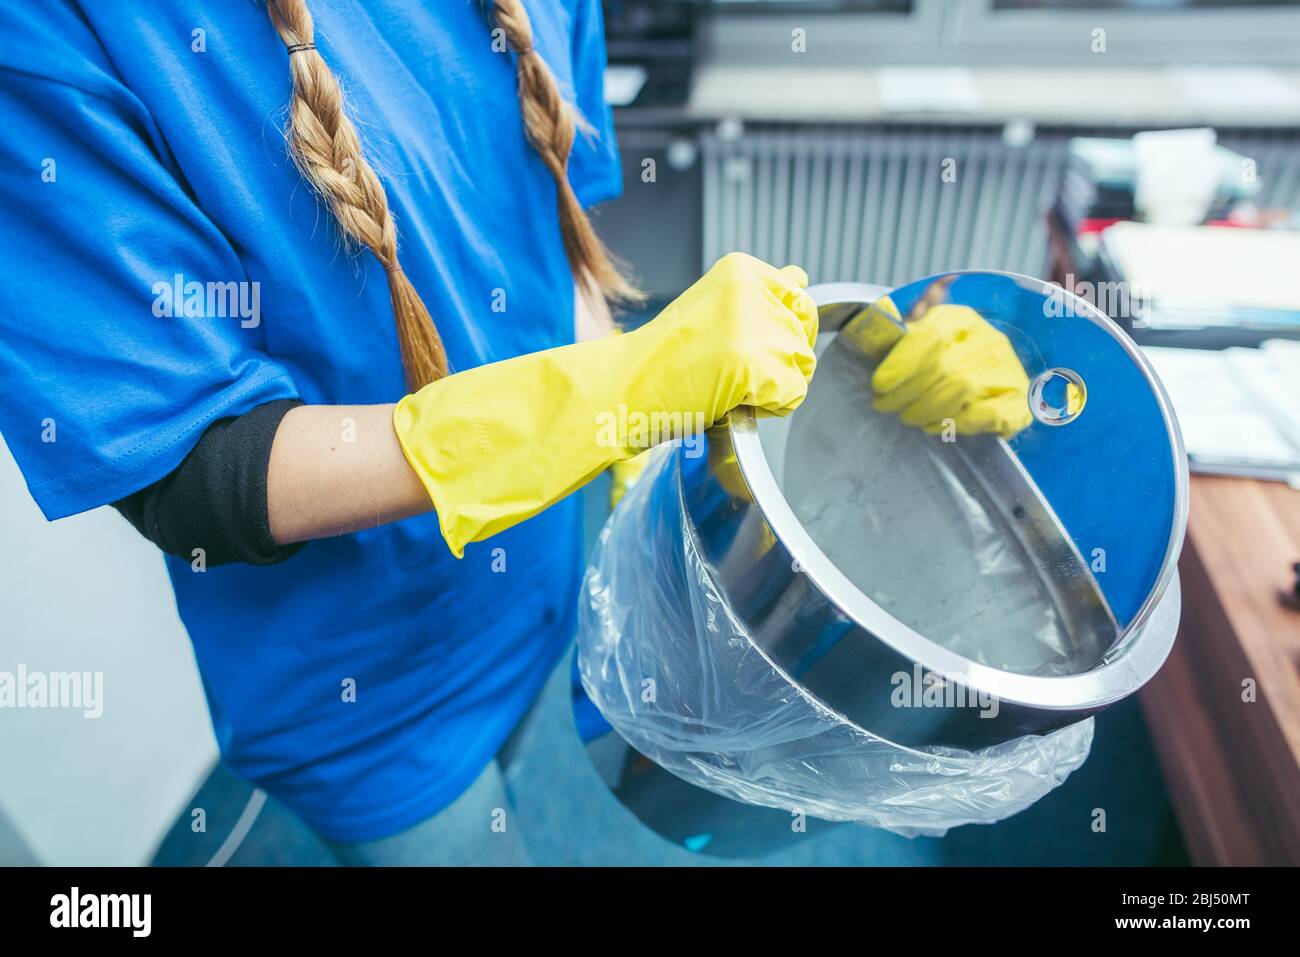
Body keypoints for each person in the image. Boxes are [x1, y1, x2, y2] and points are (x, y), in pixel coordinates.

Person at [0, 1, 1027, 864]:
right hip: (363, 692)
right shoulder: (53, 32)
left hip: (538, 569)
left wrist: (653, 432)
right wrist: (617, 392)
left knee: (535, 766)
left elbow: (550, 233)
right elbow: (199, 480)